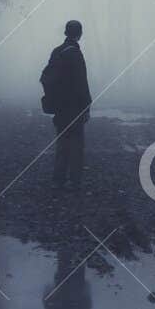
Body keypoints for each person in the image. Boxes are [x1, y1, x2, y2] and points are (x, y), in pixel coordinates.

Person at [41, 20, 91, 189]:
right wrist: (87, 105)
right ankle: (75, 180)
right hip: (75, 106)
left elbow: (45, 77)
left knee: (62, 142)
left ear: (65, 33)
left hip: (60, 107)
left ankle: (58, 179)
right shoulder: (76, 54)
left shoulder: (57, 52)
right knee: (76, 144)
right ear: (79, 34)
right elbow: (81, 83)